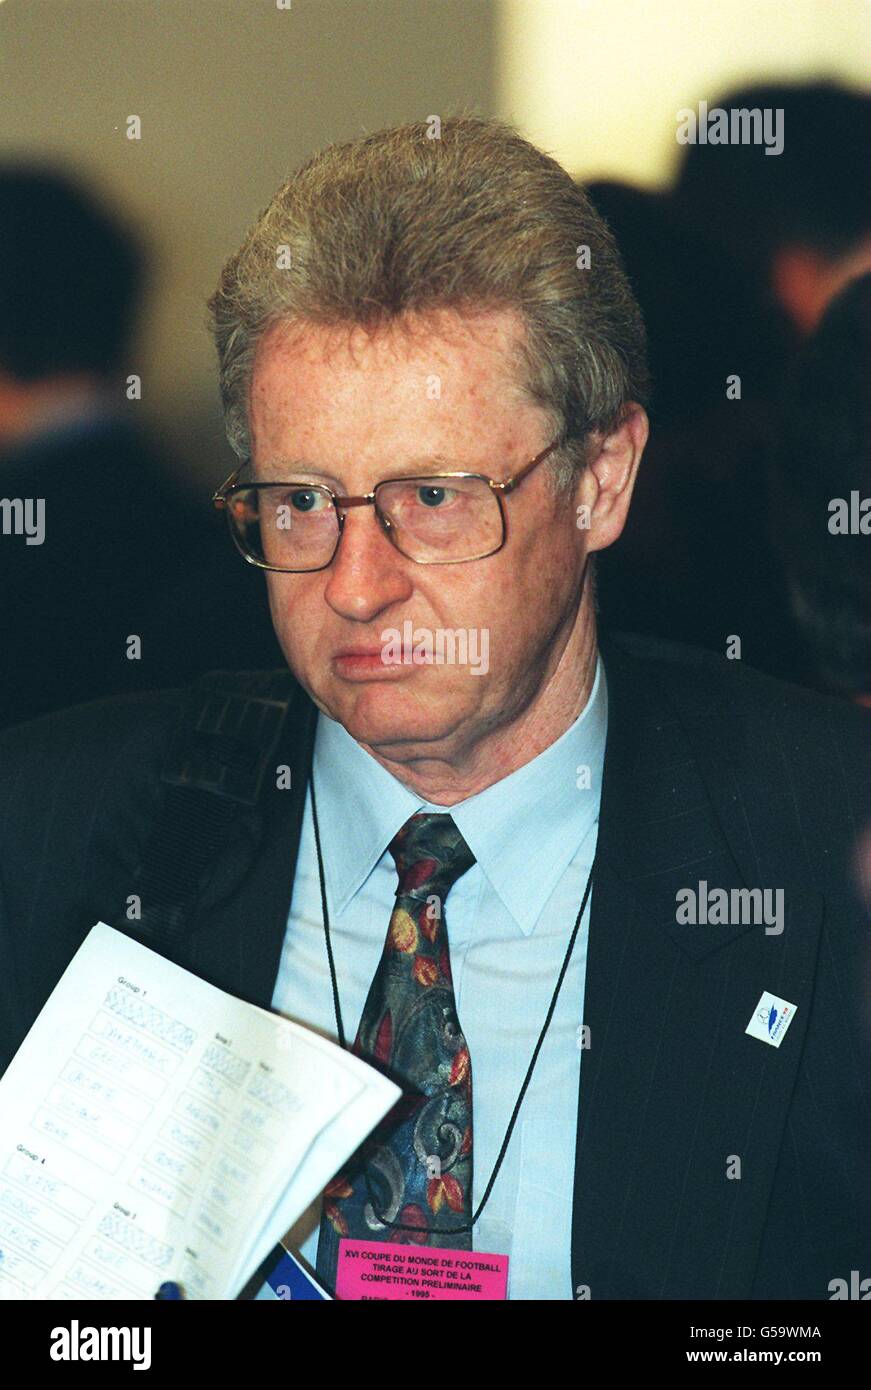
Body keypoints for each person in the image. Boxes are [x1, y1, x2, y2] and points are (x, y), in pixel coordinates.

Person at [0, 118, 868, 1301]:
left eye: (433, 497)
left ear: (600, 480)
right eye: (302, 501)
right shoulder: (50, 832)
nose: (355, 584)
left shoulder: (821, 841)